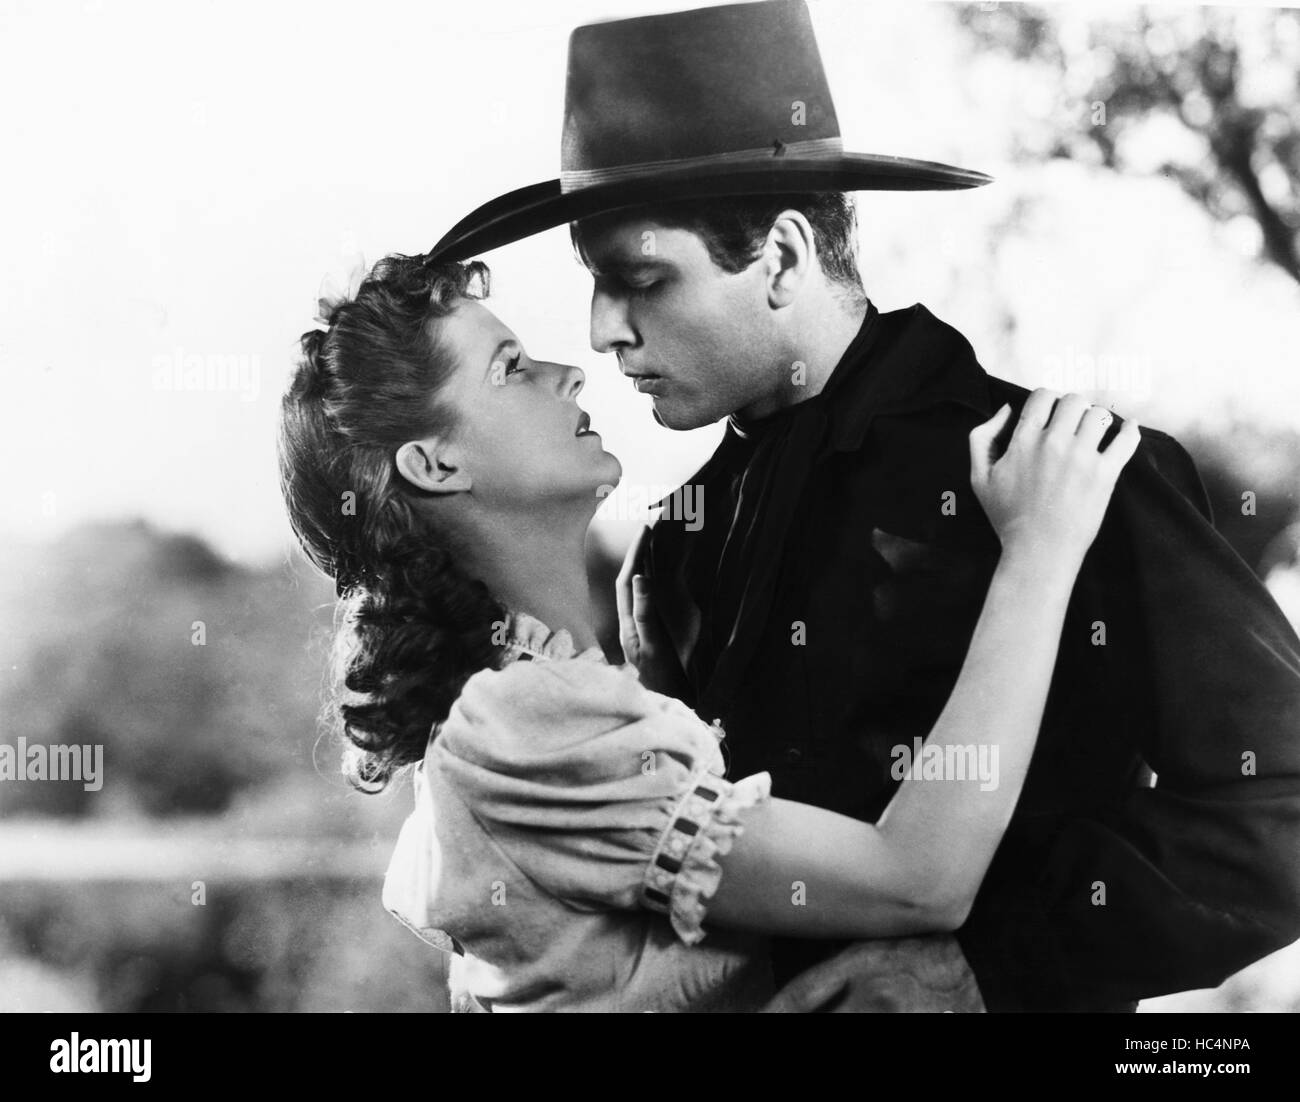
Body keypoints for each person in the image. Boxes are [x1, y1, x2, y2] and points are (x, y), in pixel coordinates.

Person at [425, 0, 1300, 1011]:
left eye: (642, 279)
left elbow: (1282, 805)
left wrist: (989, 967)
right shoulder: (667, 556)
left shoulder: (1069, 473)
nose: (601, 329)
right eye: (594, 281)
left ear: (785, 257)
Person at [277, 252, 1137, 1011]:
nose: (569, 372)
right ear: (434, 464)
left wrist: (667, 697)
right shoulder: (520, 723)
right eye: (510, 369)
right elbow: (917, 884)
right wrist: (1039, 551)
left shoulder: (550, 696)